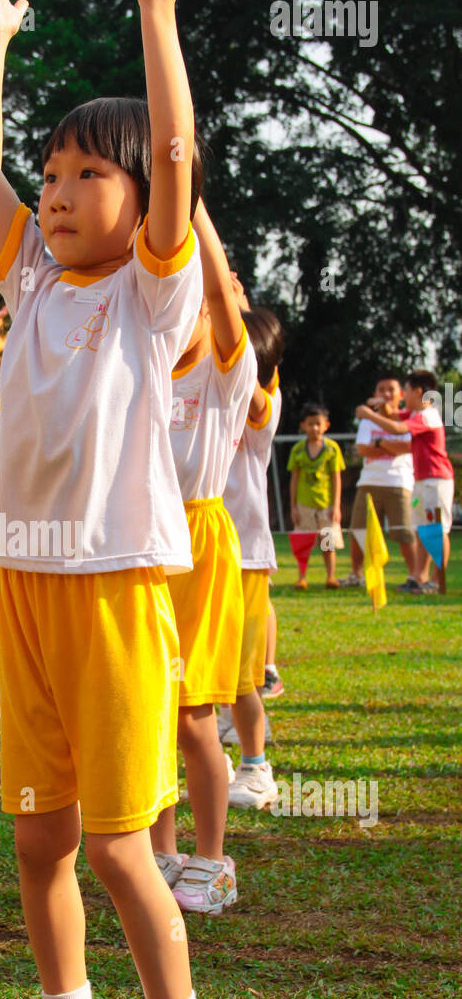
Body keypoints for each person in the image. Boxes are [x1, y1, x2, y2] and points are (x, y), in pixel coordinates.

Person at [0, 0, 230, 999]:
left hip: (117, 585)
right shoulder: (26, 272)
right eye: (54, 175)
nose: (58, 193)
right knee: (40, 836)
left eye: (86, 174)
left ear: (138, 201)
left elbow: (176, 155)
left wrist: (153, 14)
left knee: (125, 844)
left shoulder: (149, 297)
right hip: (24, 581)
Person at [153, 200, 256, 907]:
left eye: (198, 305)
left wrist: (187, 204)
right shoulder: (142, 371)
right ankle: (159, 855)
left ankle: (211, 862)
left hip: (202, 544)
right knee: (148, 711)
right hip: (143, 544)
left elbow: (218, 292)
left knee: (192, 718)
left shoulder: (226, 375)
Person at [220, 306, 283, 809]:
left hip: (244, 557)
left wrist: (222, 307)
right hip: (198, 550)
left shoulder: (263, 404)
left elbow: (253, 391)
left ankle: (256, 767)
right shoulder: (205, 391)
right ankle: (211, 756)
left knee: (243, 678)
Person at [356, 371, 454, 594]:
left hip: (435, 479)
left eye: (406, 391)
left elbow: (398, 428)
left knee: (437, 530)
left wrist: (368, 415)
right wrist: (380, 404)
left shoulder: (427, 415)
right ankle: (419, 578)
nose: (404, 395)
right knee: (423, 530)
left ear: (419, 392)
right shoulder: (416, 413)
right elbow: (392, 416)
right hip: (422, 479)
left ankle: (437, 581)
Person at [341, 375, 415, 589]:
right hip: (368, 483)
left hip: (398, 483)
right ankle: (356, 574)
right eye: (381, 389)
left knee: (403, 531)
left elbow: (407, 448)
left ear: (401, 395)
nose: (386, 394)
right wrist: (391, 445)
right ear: (374, 395)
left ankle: (415, 575)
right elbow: (362, 449)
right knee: (358, 529)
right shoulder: (366, 421)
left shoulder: (407, 420)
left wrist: (379, 442)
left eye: (391, 389)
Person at [287, 404, 345, 587]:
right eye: (310, 424)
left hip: (326, 505)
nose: (314, 428)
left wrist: (336, 507)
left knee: (328, 543)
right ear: (303, 426)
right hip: (304, 505)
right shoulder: (297, 450)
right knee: (303, 544)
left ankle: (331, 576)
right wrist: (293, 507)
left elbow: (337, 479)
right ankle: (301, 577)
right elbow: (294, 480)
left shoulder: (332, 449)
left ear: (326, 425)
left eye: (318, 424)